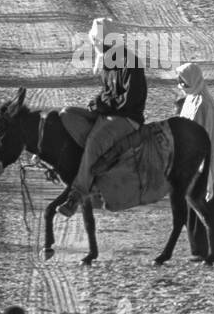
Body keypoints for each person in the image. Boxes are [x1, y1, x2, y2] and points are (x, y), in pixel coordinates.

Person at [57, 17, 147, 216]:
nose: (95, 45)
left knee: (95, 139)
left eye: (96, 42)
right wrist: (96, 103)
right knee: (66, 115)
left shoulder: (130, 62)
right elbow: (108, 93)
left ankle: (77, 194)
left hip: (126, 119)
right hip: (107, 114)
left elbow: (130, 99)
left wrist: (103, 106)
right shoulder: (107, 60)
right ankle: (96, 161)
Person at [174, 62, 214, 263]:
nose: (180, 83)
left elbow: (206, 134)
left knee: (200, 203)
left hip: (204, 163)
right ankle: (201, 250)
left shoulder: (203, 103)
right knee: (194, 205)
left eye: (182, 80)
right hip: (191, 162)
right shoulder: (191, 99)